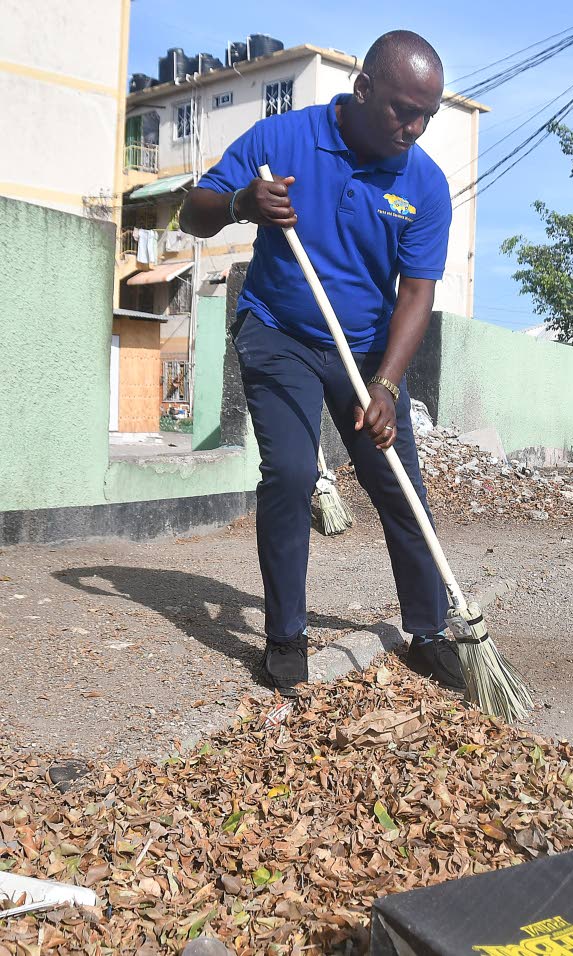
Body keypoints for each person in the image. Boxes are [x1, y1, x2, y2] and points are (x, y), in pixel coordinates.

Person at [179, 30, 466, 696]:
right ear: (362, 89)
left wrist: (387, 384)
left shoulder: (423, 184)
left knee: (397, 481)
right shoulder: (283, 141)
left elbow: (417, 292)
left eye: (428, 114)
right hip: (278, 331)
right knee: (289, 471)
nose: (415, 127)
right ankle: (284, 637)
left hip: (365, 348)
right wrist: (240, 205)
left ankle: (425, 631)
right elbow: (192, 216)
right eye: (401, 109)